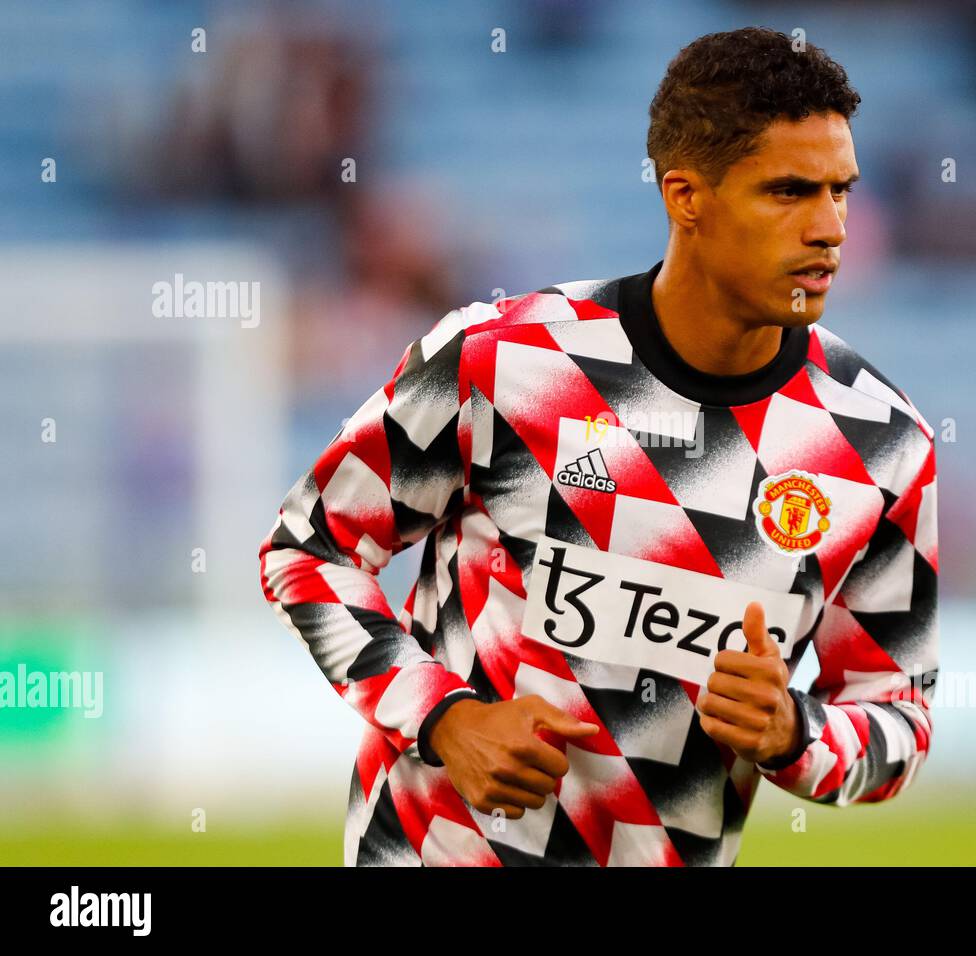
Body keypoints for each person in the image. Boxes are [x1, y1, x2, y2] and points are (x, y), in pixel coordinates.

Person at [258, 26, 938, 867]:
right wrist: (445, 718)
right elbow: (309, 549)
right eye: (790, 192)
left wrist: (795, 731)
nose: (831, 228)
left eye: (841, 191)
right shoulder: (505, 362)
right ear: (687, 196)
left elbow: (897, 716)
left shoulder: (879, 444)